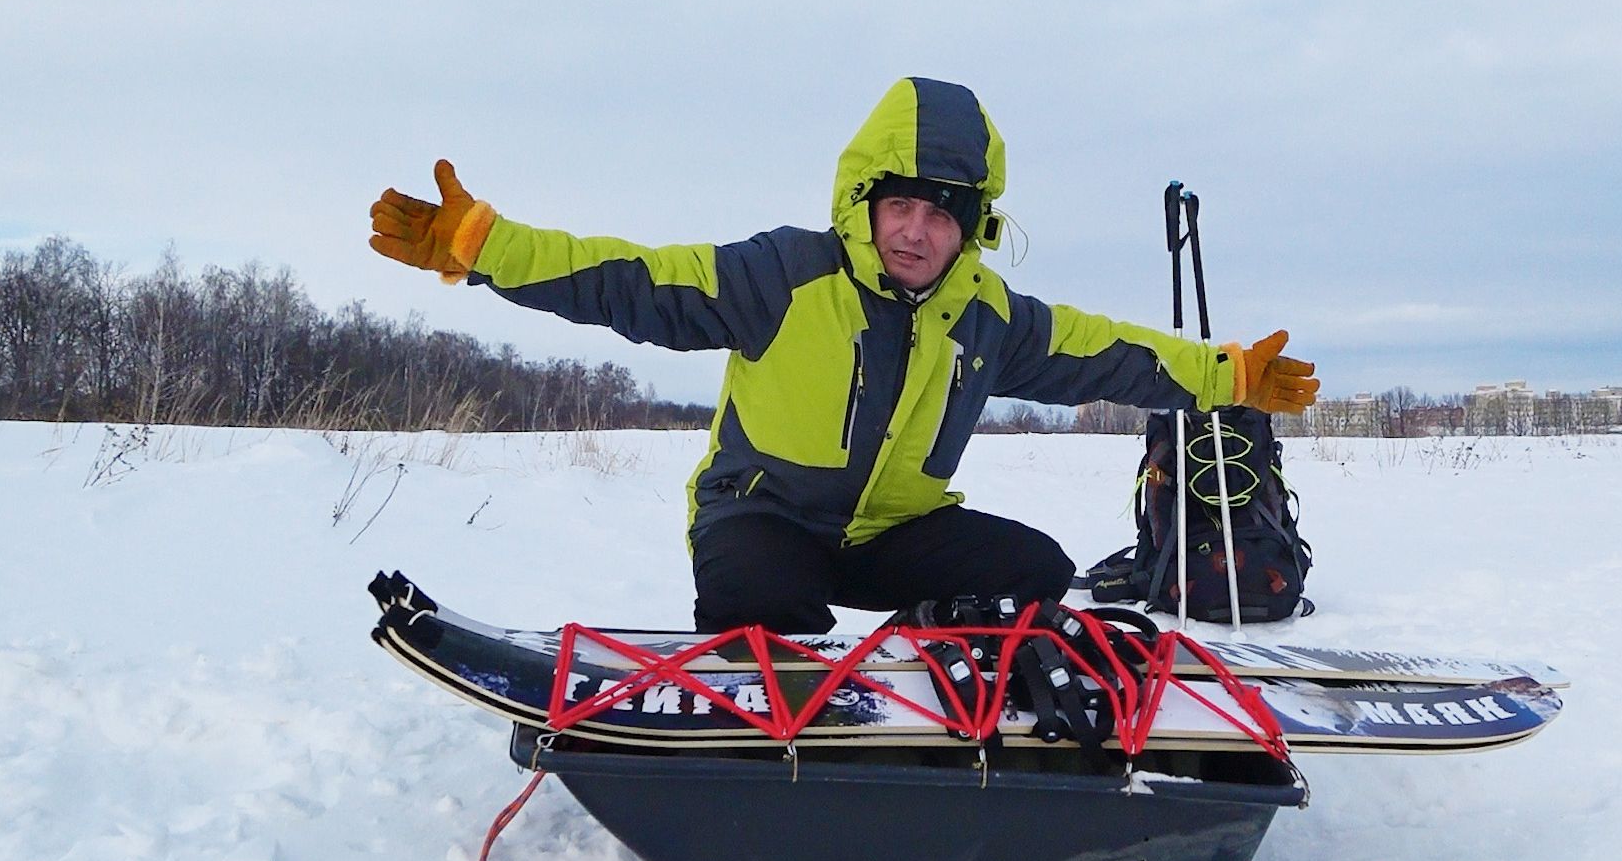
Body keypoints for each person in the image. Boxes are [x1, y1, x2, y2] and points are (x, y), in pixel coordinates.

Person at [369, 77, 1319, 633]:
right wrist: (485, 247)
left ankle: (924, 687)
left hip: (890, 536)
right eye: (898, 204)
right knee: (762, 598)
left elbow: (1105, 354)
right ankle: (767, 700)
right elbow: (631, 280)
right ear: (864, 202)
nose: (914, 230)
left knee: (1033, 571)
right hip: (764, 519)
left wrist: (1227, 376)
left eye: (939, 213)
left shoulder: (988, 318)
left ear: (970, 227)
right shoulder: (783, 275)